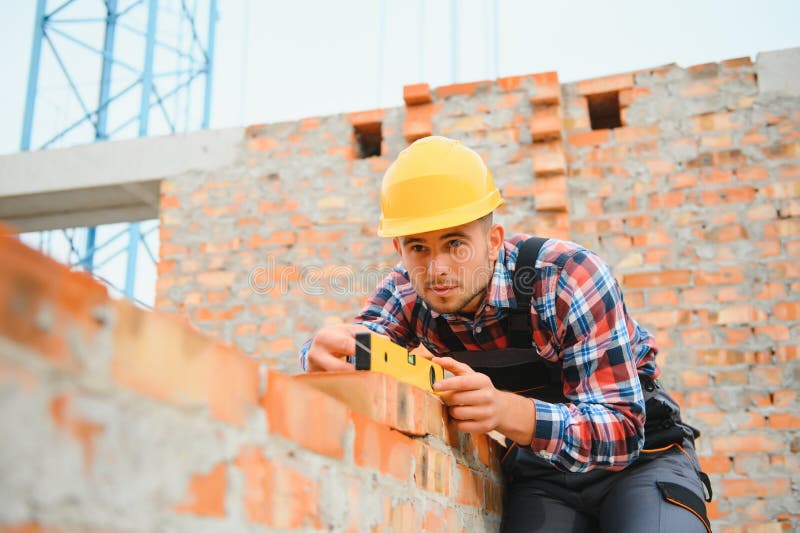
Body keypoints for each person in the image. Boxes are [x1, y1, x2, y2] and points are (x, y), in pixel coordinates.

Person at [300, 135, 712, 532]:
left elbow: (621, 432)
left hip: (644, 459)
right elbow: (357, 349)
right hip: (544, 474)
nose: (437, 268)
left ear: (493, 241)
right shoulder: (407, 288)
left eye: (455, 243)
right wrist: (320, 354)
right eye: (418, 247)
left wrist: (505, 411)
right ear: (399, 251)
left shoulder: (569, 277)